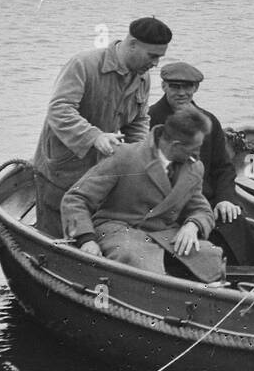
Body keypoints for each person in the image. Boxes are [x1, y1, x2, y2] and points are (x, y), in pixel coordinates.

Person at [31, 17, 173, 237]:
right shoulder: (84, 64)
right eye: (152, 56)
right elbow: (60, 109)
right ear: (132, 44)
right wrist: (94, 137)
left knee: (92, 234)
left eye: (159, 58)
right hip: (61, 171)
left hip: (100, 172)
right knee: (56, 238)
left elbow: (138, 121)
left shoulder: (142, 77)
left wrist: (140, 155)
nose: (155, 64)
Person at [59, 107, 224, 282]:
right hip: (117, 229)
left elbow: (202, 209)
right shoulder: (125, 156)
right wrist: (86, 239)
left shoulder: (194, 168)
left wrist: (193, 225)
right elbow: (75, 199)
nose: (197, 154)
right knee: (137, 260)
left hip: (164, 234)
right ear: (175, 145)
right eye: (194, 148)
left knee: (210, 256)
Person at [147, 61, 254, 264]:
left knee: (234, 220)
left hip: (207, 201)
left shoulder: (209, 121)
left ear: (195, 88)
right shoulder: (149, 120)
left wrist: (225, 198)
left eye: (187, 87)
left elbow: (223, 167)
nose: (181, 92)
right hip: (166, 204)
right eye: (175, 86)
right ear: (163, 86)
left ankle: (252, 274)